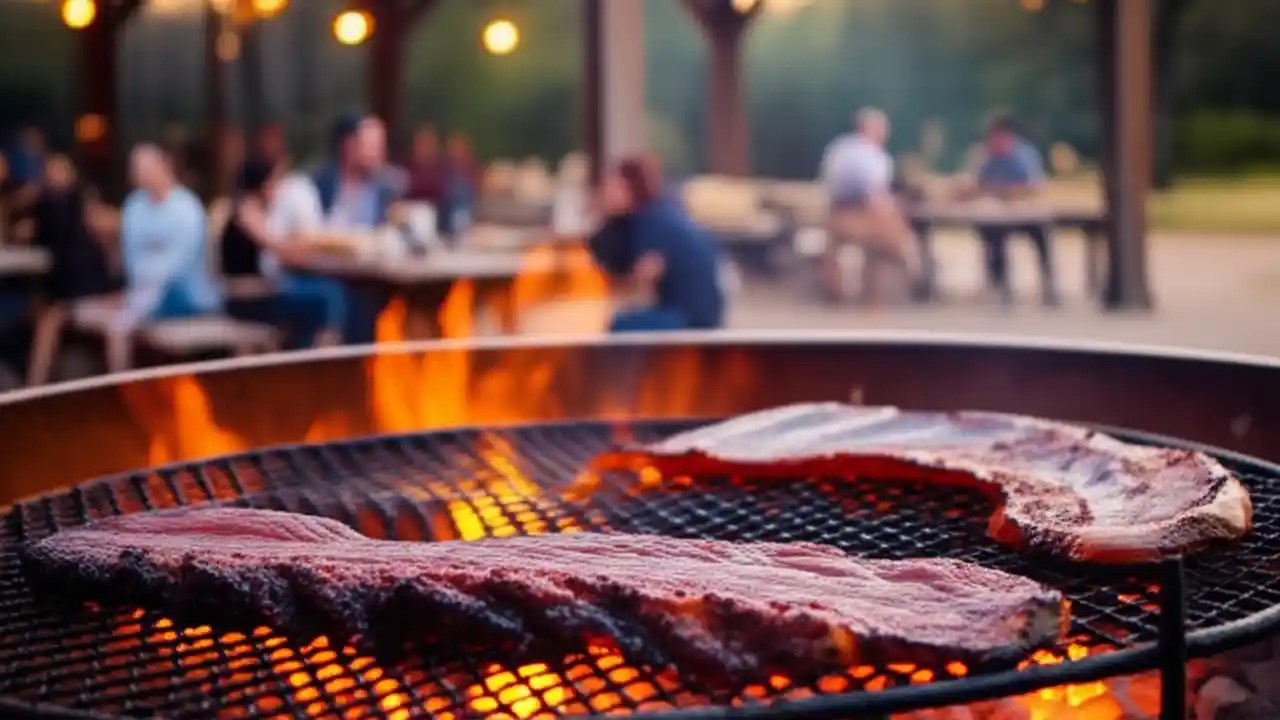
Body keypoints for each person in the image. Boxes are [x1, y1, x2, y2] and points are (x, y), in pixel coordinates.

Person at [111, 144, 222, 371]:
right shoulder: (133, 207)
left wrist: (146, 289)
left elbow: (181, 265)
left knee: (125, 323)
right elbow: (133, 261)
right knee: (117, 328)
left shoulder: (187, 207)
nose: (139, 174)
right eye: (135, 168)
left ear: (164, 167)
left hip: (185, 295)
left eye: (145, 167)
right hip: (144, 294)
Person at [589, 156, 724, 332]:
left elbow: (647, 277)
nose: (605, 194)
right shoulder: (663, 212)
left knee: (618, 326)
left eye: (612, 188)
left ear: (630, 188)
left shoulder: (648, 222)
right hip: (704, 314)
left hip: (688, 319)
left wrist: (614, 301)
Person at [221, 155, 342, 349]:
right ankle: (307, 360)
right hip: (245, 298)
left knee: (320, 296)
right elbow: (278, 248)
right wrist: (305, 250)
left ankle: (303, 355)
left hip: (259, 293)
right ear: (264, 183)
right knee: (326, 297)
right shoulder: (247, 212)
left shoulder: (253, 210)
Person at [312, 114, 403, 343]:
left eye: (381, 146)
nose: (379, 153)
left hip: (371, 274)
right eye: (371, 145)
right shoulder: (321, 184)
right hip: (323, 274)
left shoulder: (387, 187)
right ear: (349, 146)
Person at [818, 107, 919, 303]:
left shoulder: (839, 148)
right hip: (861, 219)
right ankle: (912, 281)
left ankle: (843, 293)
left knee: (873, 240)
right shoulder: (875, 157)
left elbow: (827, 185)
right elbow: (876, 199)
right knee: (896, 241)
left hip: (833, 218)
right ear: (873, 129)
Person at [26, 155, 113, 385]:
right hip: (72, 284)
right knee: (45, 318)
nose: (58, 175)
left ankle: (34, 386)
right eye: (53, 170)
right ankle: (35, 385)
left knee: (49, 320)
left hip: (84, 286)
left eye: (62, 170)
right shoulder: (49, 206)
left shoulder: (75, 204)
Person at [974, 114, 1058, 306]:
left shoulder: (1024, 155)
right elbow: (979, 185)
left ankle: (1049, 284)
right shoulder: (987, 157)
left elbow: (1034, 186)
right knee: (991, 233)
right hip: (998, 216)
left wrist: (1006, 192)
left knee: (1041, 235)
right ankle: (1000, 285)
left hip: (1026, 215)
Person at [440, 132, 481, 237]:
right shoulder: (444, 169)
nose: (456, 151)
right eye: (453, 147)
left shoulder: (471, 168)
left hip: (468, 212)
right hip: (448, 216)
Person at [405, 124, 445, 204]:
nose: (424, 149)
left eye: (427, 144)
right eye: (420, 144)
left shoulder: (443, 171)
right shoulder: (407, 168)